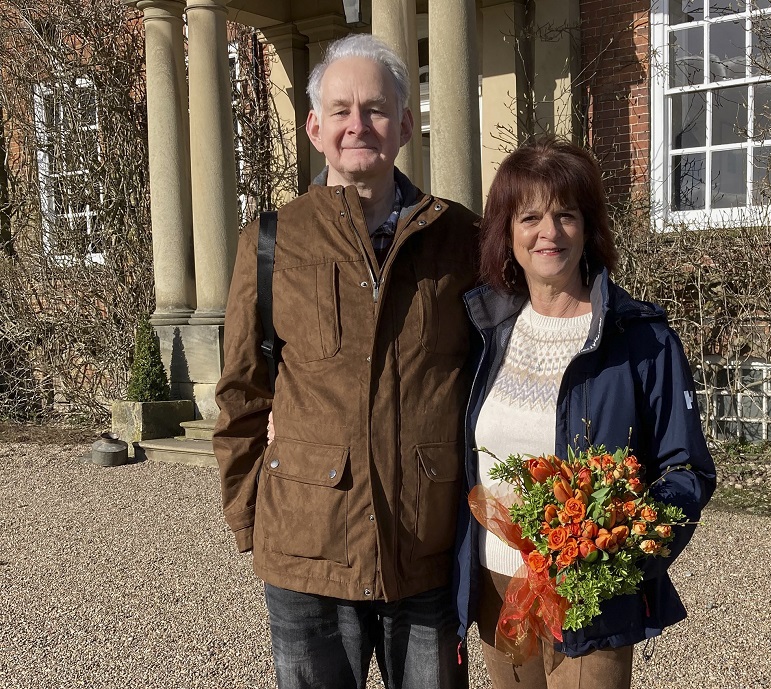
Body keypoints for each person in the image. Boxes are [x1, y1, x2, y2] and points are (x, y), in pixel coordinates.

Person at [213, 34, 479, 689]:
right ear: (315, 128)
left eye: (376, 109)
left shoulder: (459, 238)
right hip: (306, 548)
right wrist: (253, 519)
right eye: (340, 110)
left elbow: (493, 369)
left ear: (406, 124)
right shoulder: (270, 241)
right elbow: (241, 392)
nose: (358, 124)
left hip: (424, 546)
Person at [452, 136, 717, 689]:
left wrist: (622, 551)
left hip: (589, 599)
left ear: (588, 228)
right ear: (507, 233)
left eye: (565, 215)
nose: (548, 232)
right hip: (497, 584)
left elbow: (686, 469)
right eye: (530, 217)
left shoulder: (640, 339)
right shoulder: (483, 333)